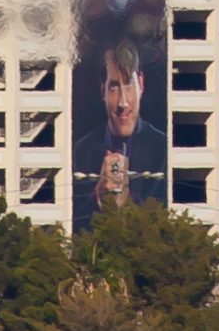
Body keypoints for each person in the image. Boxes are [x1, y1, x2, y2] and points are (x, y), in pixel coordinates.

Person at [72, 37, 168, 224]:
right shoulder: (82, 150)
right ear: (103, 90)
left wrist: (127, 200)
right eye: (114, 87)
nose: (123, 102)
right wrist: (99, 197)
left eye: (129, 84)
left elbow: (165, 219)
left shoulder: (163, 149)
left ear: (140, 84)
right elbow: (72, 222)